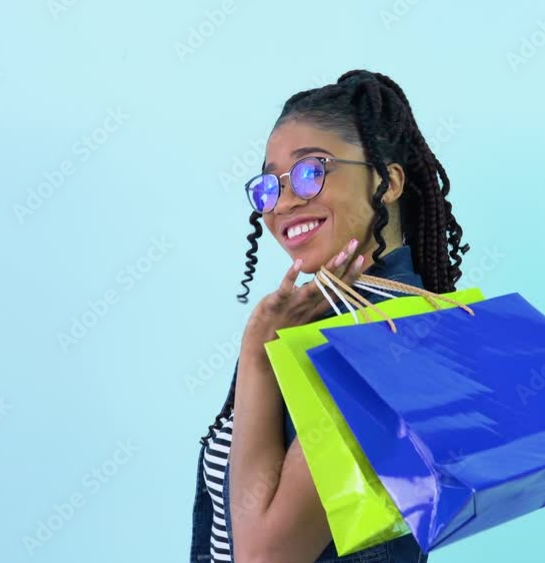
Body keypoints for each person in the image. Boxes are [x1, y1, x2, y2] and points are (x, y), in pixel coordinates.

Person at [190, 70, 470, 563]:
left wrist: (257, 355)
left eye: (310, 170)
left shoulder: (380, 341)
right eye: (270, 185)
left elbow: (263, 557)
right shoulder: (321, 318)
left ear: (386, 181)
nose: (285, 201)